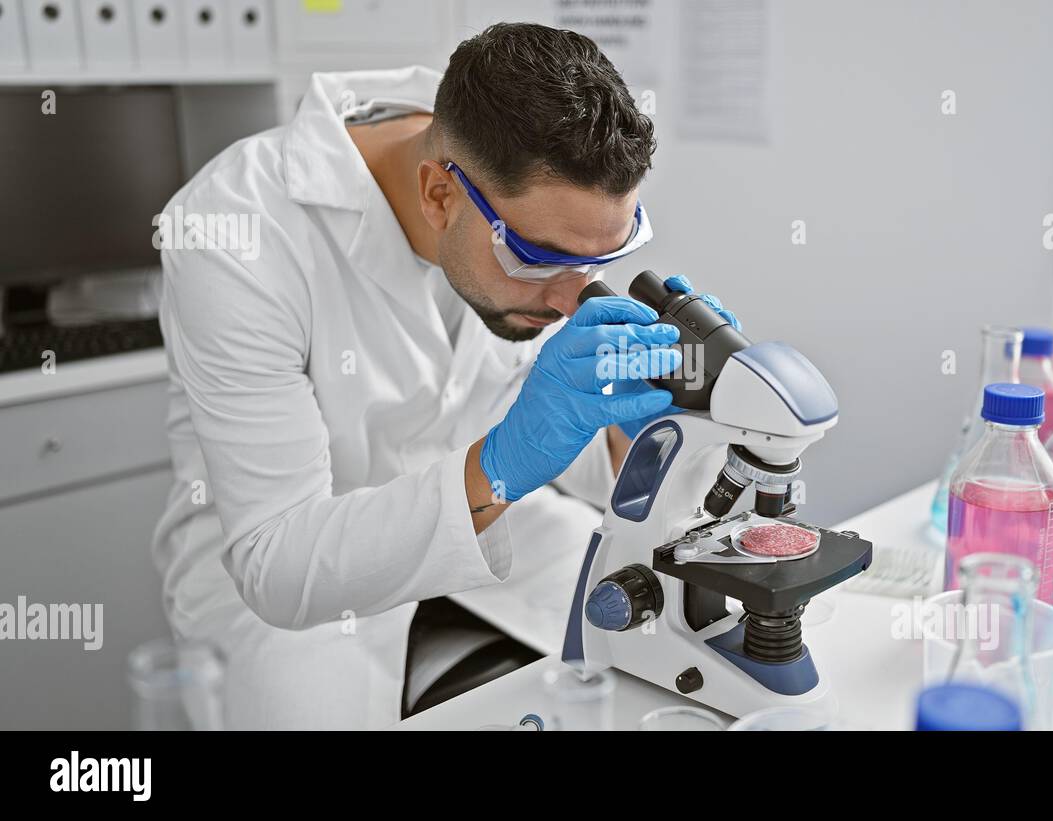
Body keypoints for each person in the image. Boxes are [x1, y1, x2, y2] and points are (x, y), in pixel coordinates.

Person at [151, 23, 737, 729]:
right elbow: (276, 559)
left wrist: (639, 430)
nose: (569, 298)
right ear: (438, 196)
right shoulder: (235, 233)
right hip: (291, 586)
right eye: (539, 259)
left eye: (600, 257)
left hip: (493, 524)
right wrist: (499, 464)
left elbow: (563, 449)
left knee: (665, 659)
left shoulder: (518, 196)